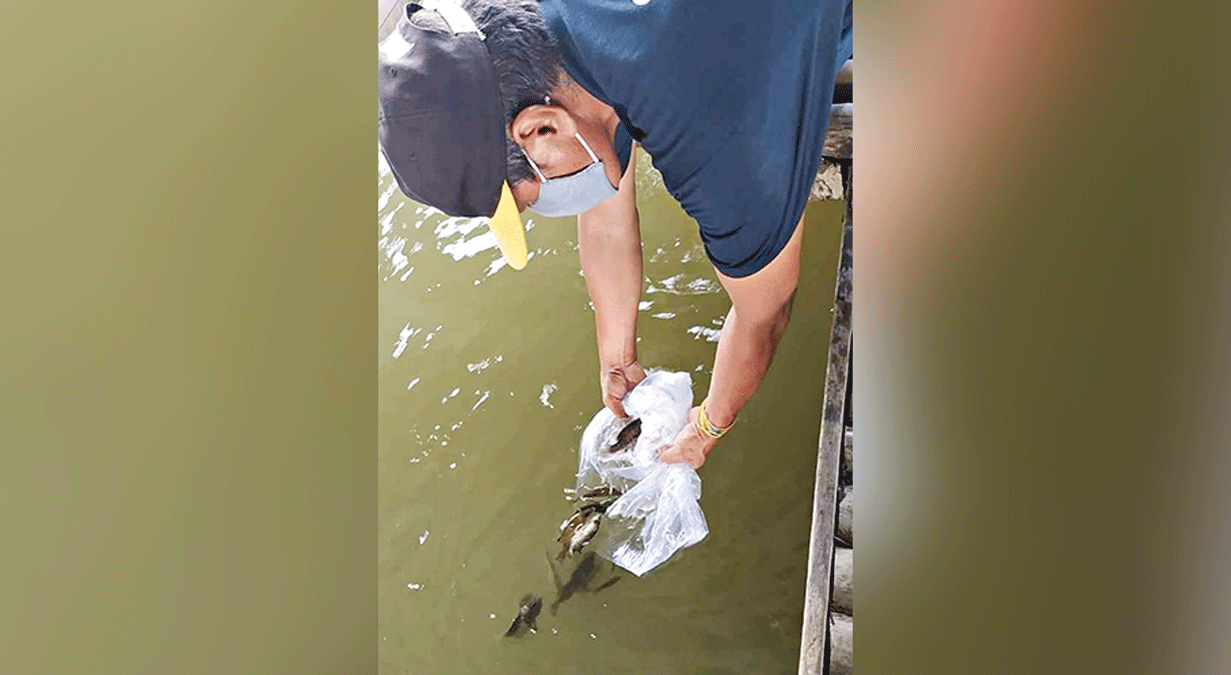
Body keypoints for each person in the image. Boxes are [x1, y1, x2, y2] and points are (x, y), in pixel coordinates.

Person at [379, 0, 853, 469]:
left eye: (527, 197)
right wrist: (617, 356)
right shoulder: (557, 37)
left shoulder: (712, 133)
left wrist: (707, 426)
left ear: (541, 127)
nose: (542, 205)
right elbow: (605, 212)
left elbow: (765, 312)